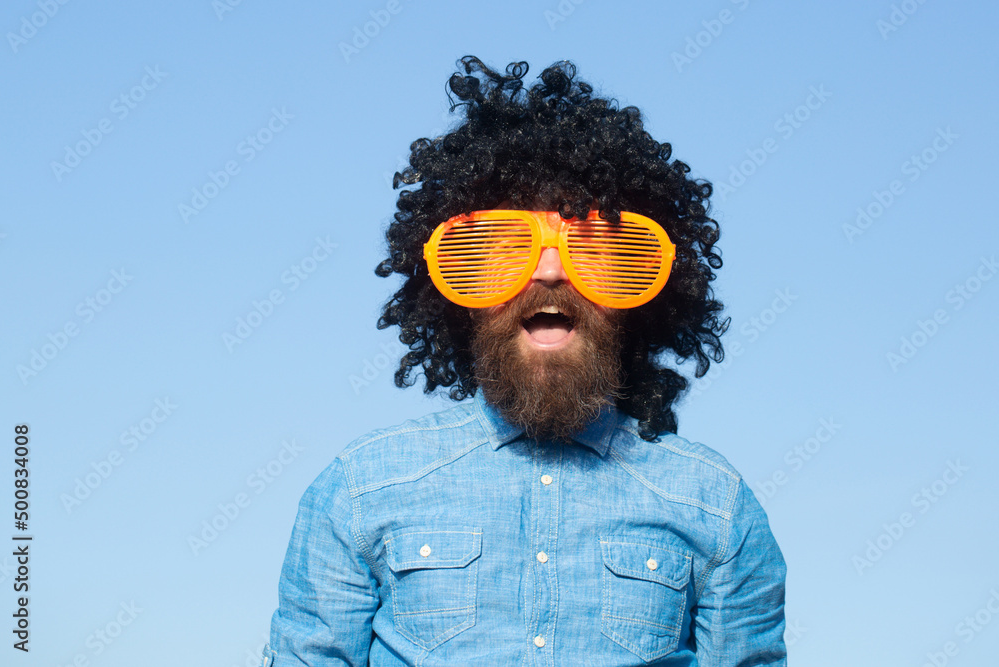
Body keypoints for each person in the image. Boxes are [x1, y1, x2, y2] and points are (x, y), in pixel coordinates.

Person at [261, 56, 786, 666]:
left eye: (600, 249)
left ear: (647, 296)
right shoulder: (360, 489)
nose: (550, 269)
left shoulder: (715, 505)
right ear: (453, 297)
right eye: (497, 249)